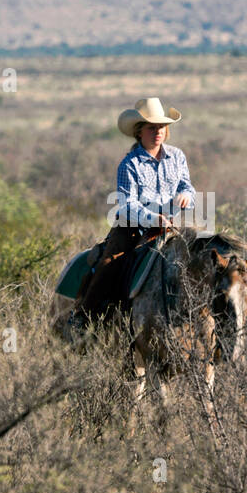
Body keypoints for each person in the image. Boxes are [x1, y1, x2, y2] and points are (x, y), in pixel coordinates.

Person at [67, 97, 197, 332]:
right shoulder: (129, 164)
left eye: (161, 127)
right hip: (132, 228)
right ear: (139, 133)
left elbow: (187, 187)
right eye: (151, 128)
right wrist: (153, 218)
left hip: (171, 226)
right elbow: (127, 205)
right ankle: (83, 316)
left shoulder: (177, 157)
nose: (157, 132)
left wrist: (186, 196)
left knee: (202, 258)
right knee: (109, 263)